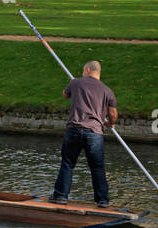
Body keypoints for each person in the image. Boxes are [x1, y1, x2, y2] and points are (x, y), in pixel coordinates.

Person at [49, 60, 117, 207]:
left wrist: (75, 87)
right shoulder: (107, 90)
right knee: (97, 167)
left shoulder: (75, 83)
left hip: (74, 129)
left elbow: (64, 95)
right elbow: (113, 113)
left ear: (87, 70)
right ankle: (102, 200)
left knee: (68, 163)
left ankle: (60, 197)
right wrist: (110, 123)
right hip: (95, 133)